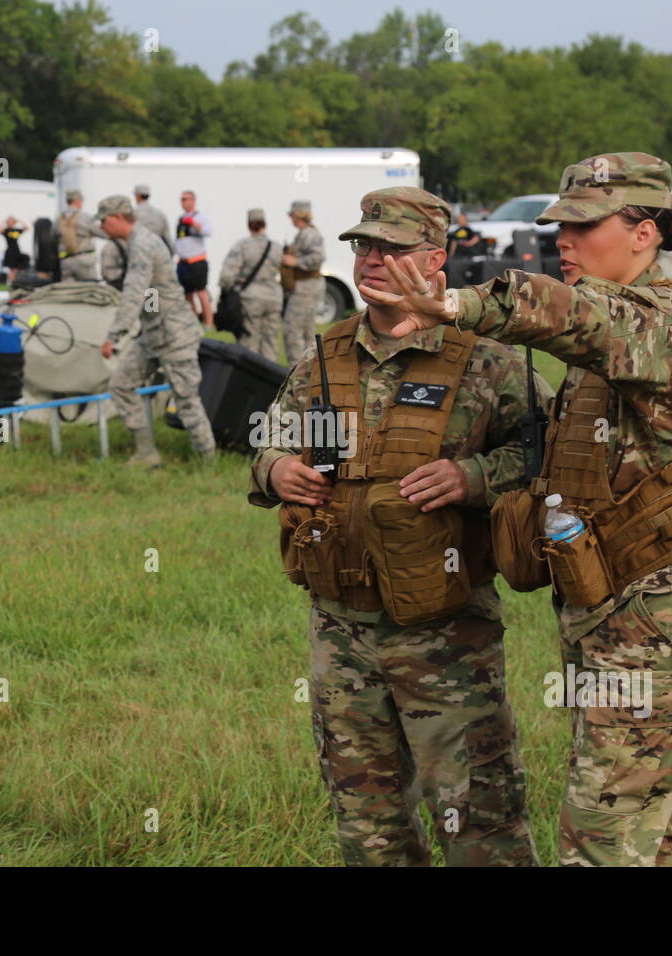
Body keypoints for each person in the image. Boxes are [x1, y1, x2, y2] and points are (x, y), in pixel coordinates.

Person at [361, 153, 672, 867]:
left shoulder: (667, 322)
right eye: (557, 225)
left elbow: (579, 318)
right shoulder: (614, 331)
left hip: (655, 617)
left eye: (583, 225)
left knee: (601, 834)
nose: (560, 240)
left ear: (646, 232)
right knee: (646, 827)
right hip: (607, 608)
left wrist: (461, 306)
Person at [248, 186, 554, 867]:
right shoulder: (325, 358)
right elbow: (269, 436)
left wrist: (470, 478)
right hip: (340, 630)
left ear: (436, 260)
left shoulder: (487, 359)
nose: (372, 259)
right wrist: (275, 470)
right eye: (364, 245)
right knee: (367, 819)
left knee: (477, 815)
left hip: (445, 634)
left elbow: (550, 458)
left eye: (392, 248)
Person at [97, 195, 216, 466]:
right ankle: (146, 453)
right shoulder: (138, 242)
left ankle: (208, 461)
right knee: (121, 385)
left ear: (117, 218)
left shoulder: (142, 244)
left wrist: (113, 336)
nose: (102, 227)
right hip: (153, 333)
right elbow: (148, 296)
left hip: (175, 335)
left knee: (186, 399)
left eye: (104, 220)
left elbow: (134, 292)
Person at [218, 208, 282, 362]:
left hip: (251, 298)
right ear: (264, 224)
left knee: (249, 340)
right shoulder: (276, 247)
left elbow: (226, 276)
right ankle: (270, 378)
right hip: (274, 297)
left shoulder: (242, 246)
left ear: (248, 225)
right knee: (270, 341)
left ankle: (248, 377)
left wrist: (226, 290)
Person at [281, 199, 326, 367]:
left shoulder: (309, 234)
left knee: (293, 331)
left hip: (306, 287)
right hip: (305, 287)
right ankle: (309, 370)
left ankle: (296, 371)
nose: (290, 218)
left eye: (292, 215)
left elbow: (318, 257)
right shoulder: (304, 233)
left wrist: (296, 261)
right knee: (306, 333)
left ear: (298, 215)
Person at [174, 190, 213, 328]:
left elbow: (208, 231)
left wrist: (193, 223)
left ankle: (208, 323)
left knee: (201, 293)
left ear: (193, 201)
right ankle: (194, 322)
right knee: (187, 295)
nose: (183, 202)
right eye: (182, 199)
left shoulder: (200, 217)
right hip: (183, 263)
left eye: (186, 199)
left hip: (197, 261)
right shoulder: (180, 219)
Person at [57, 190, 99, 281]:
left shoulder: (59, 218)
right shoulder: (86, 217)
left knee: (69, 292)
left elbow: (52, 237)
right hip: (85, 260)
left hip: (65, 261)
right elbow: (102, 233)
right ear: (78, 201)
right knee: (89, 291)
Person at [134, 184, 172, 253]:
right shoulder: (160, 214)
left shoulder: (132, 215)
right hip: (157, 253)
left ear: (137, 196)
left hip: (138, 253)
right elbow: (167, 238)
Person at [0, 216, 31, 284]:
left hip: (16, 250)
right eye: (9, 222)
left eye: (12, 222)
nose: (11, 223)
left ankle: (13, 281)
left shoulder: (16, 230)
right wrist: (3, 222)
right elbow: (0, 230)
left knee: (17, 267)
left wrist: (19, 221)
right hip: (10, 251)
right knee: (12, 268)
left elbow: (26, 228)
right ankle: (10, 281)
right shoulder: (6, 230)